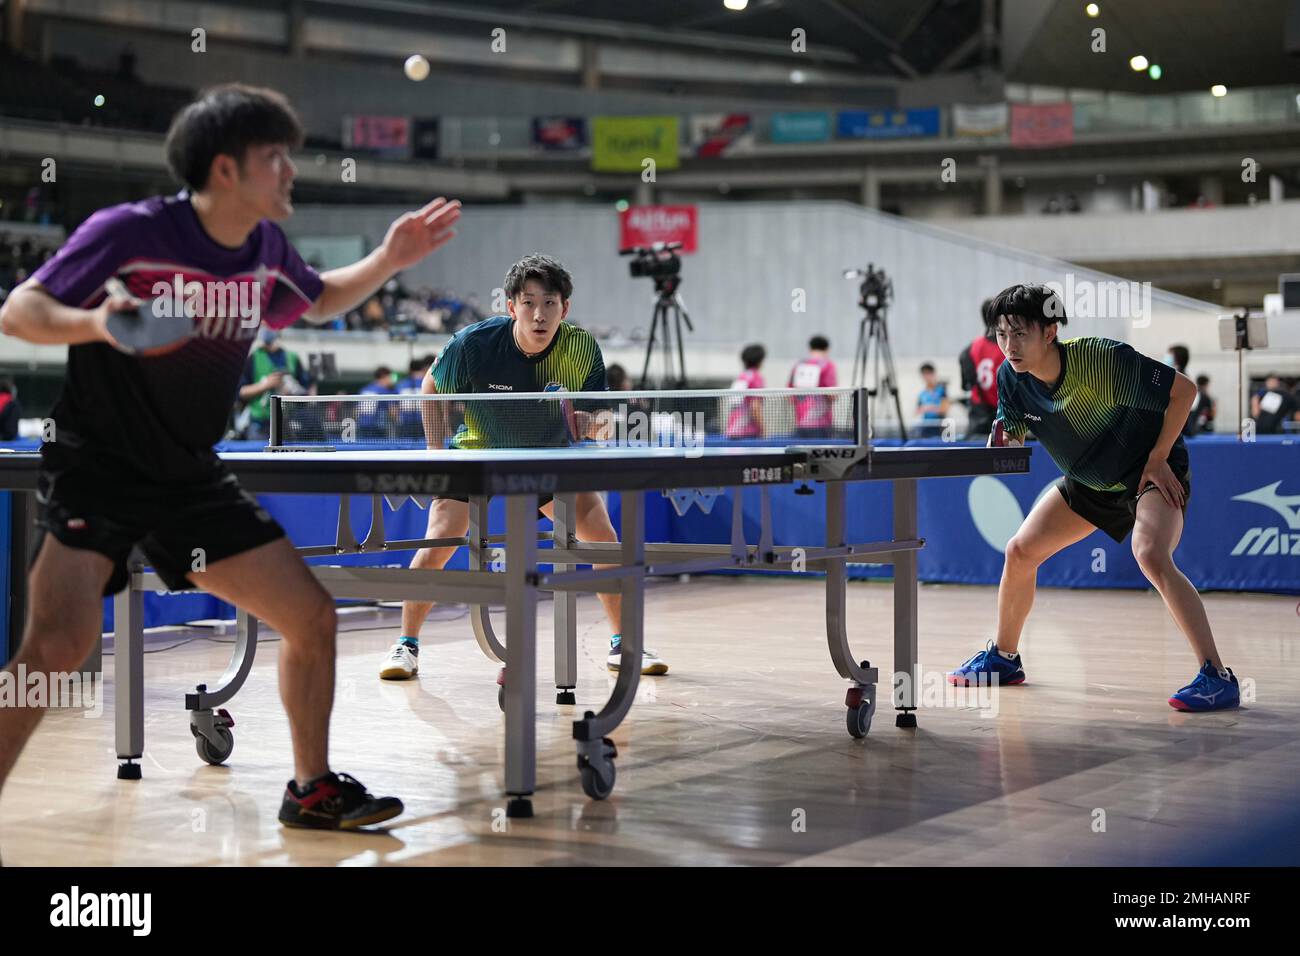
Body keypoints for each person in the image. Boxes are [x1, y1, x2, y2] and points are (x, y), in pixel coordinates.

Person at [0, 82, 462, 829]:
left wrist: (388, 256)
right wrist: (97, 324)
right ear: (224, 170)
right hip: (100, 467)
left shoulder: (265, 249)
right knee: (55, 647)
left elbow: (316, 299)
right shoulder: (131, 232)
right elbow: (21, 310)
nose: (289, 172)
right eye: (274, 157)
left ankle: (310, 789)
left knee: (310, 618)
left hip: (190, 476)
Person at [378, 254, 670, 682]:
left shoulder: (580, 349)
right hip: (477, 453)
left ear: (564, 308)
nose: (539, 314)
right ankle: (406, 645)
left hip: (546, 458)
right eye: (529, 303)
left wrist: (596, 426)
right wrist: (436, 451)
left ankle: (624, 643)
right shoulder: (475, 344)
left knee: (605, 541)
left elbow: (601, 418)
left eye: (550, 303)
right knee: (439, 538)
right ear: (511, 306)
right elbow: (432, 385)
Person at [949, 284, 1238, 712]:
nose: (1008, 345)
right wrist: (1006, 439)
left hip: (1147, 471)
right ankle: (1005, 659)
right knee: (1020, 551)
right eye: (1002, 334)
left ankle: (1217, 675)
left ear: (1050, 332)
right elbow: (1013, 428)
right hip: (1088, 481)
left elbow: (1184, 392)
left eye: (1020, 333)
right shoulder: (1012, 377)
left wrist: (1158, 458)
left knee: (1151, 554)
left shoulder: (1102, 360)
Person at [239, 325, 315, 440]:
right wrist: (266, 385)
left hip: (288, 422)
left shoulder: (292, 357)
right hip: (260, 424)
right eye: (263, 326)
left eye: (269, 325)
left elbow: (307, 390)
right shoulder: (253, 358)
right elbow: (241, 391)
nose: (266, 330)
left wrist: (291, 391)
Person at [960, 302, 1005, 440]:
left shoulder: (970, 349)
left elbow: (966, 384)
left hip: (979, 420)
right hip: (1006, 417)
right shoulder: (1012, 348)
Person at [789, 335, 837, 440]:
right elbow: (832, 395)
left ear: (810, 348)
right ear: (827, 349)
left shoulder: (798, 365)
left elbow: (789, 396)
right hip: (822, 424)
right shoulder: (828, 365)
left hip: (801, 422)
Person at [725, 343, 766, 441]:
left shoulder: (741, 377)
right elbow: (755, 407)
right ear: (760, 361)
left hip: (733, 431)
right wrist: (764, 431)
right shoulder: (756, 378)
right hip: (748, 433)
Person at [1166, 344, 1199, 437]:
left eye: (1170, 355)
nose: (1167, 357)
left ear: (1176, 357)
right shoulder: (1182, 377)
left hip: (1181, 428)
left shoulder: (1180, 380)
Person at [358, 365, 397, 438]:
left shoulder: (365, 389)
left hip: (362, 424)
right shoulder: (384, 391)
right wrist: (398, 422)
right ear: (384, 376)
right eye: (391, 377)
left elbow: (357, 410)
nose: (392, 380)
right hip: (378, 427)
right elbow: (393, 411)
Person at [915, 362, 949, 438]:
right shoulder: (922, 393)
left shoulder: (941, 390)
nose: (927, 377)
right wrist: (923, 409)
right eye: (924, 374)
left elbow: (945, 408)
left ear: (934, 374)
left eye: (929, 373)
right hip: (926, 428)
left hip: (939, 428)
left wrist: (930, 408)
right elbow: (917, 411)